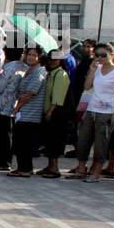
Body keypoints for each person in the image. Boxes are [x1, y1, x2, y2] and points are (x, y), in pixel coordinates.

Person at [69, 43, 114, 183]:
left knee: (100, 143)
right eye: (97, 55)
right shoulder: (97, 68)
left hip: (106, 112)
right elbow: (87, 86)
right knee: (83, 139)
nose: (100, 58)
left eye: (104, 55)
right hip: (91, 109)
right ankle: (82, 168)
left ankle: (96, 171)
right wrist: (91, 70)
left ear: (111, 54)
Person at [7, 47, 47, 178]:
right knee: (19, 141)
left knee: (25, 142)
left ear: (39, 57)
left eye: (34, 55)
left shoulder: (40, 71)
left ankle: (26, 168)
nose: (30, 57)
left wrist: (17, 107)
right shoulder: (28, 70)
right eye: (29, 54)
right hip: (23, 112)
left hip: (31, 113)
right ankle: (21, 167)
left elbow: (30, 93)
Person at [39, 49, 71, 179]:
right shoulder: (50, 73)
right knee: (49, 141)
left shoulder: (61, 74)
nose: (52, 61)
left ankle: (55, 168)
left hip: (57, 114)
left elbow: (58, 97)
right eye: (50, 59)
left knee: (55, 141)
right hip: (49, 112)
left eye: (55, 59)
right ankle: (50, 165)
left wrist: (50, 112)